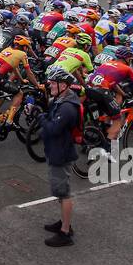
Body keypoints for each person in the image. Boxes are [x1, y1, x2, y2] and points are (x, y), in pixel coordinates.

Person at [40, 66, 81, 247]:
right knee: (59, 191)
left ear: (63, 85)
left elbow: (53, 129)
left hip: (61, 153)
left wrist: (40, 117)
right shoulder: (60, 100)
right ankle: (63, 222)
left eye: (53, 83)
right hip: (56, 150)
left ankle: (65, 232)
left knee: (64, 193)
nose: (50, 85)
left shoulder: (67, 107)